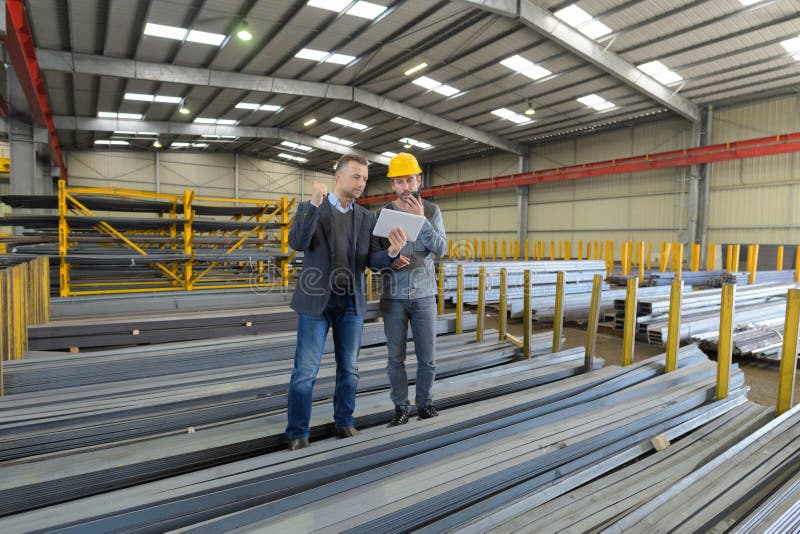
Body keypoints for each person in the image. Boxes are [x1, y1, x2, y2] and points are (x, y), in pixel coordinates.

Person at [286, 154, 407, 451]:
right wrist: (312, 204)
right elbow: (297, 242)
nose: (361, 183)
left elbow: (372, 261)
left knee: (350, 369)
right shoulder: (315, 209)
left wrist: (391, 252)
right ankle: (298, 432)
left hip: (351, 303)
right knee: (305, 372)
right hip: (316, 303)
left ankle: (344, 420)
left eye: (365, 179)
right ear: (338, 177)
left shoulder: (367, 218)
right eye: (356, 177)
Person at [378, 152, 447, 427]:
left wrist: (423, 222)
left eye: (410, 180)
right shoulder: (382, 215)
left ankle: (425, 404)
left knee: (427, 357)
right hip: (393, 297)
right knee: (395, 358)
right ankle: (401, 407)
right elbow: (374, 260)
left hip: (424, 296)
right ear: (393, 185)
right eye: (400, 182)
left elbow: (442, 249)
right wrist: (391, 259)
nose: (406, 187)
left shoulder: (432, 211)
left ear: (419, 180)